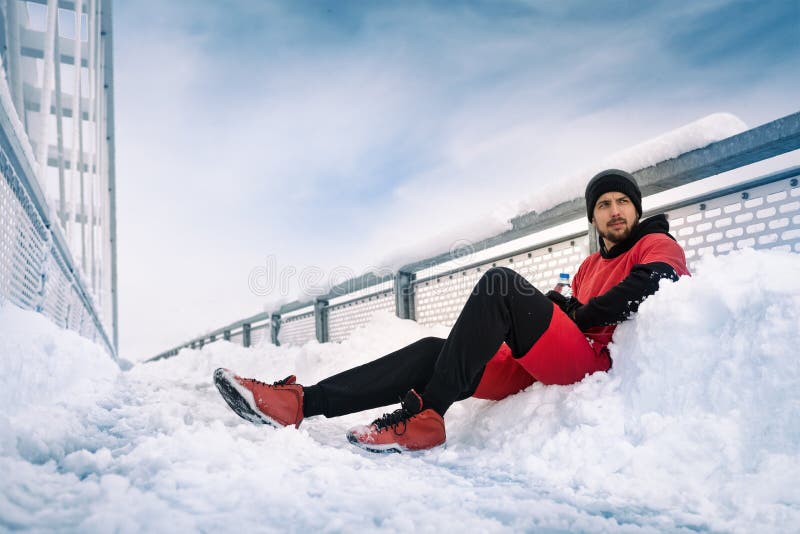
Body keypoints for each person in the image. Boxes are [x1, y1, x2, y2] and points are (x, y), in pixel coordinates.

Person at [214, 169, 690, 453]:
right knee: (429, 352)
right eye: (603, 204)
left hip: (587, 367)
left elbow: (651, 284)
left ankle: (429, 415)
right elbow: (576, 306)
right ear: (592, 217)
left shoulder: (655, 242)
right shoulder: (589, 265)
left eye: (623, 202)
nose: (614, 211)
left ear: (636, 208)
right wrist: (559, 307)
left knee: (499, 282)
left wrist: (570, 317)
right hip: (543, 363)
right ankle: (302, 404)